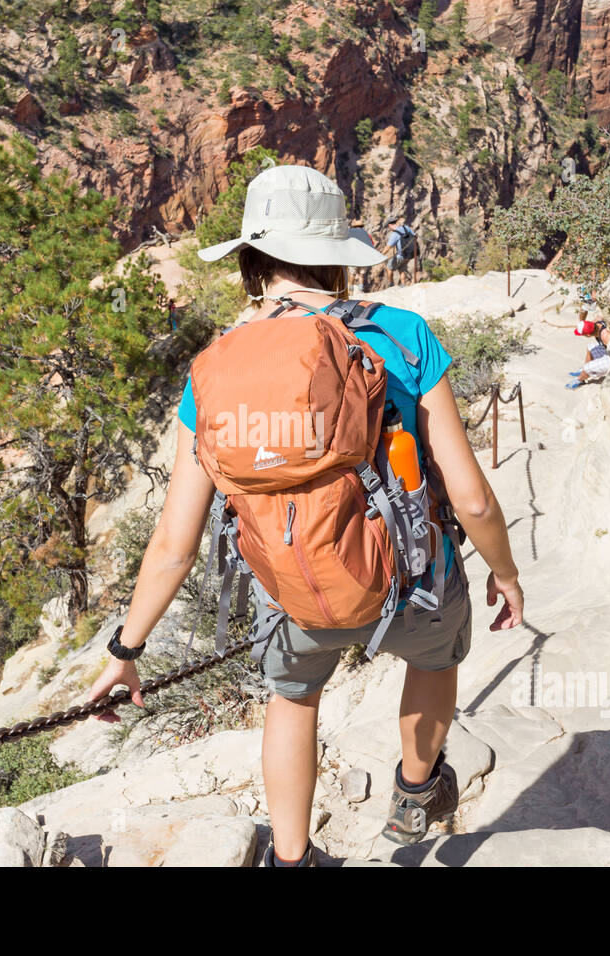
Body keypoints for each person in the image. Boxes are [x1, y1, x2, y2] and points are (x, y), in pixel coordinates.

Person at [86, 165, 524, 866]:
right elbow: (470, 496)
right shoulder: (404, 335)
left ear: (252, 266)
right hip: (407, 578)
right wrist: (505, 574)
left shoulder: (214, 370)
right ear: (338, 260)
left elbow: (175, 540)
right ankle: (415, 792)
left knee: (292, 700)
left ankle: (291, 858)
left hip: (289, 588)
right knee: (437, 656)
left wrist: (126, 652)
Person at [568, 317, 610, 388]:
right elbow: (599, 317)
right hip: (608, 350)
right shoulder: (597, 323)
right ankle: (584, 371)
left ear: (588, 335)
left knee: (588, 368)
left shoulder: (605, 337)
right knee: (590, 347)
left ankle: (579, 379)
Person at [384, 214, 419, 286]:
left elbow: (388, 247)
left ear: (390, 225)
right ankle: (403, 285)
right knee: (401, 269)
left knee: (388, 268)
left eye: (388, 227)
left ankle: (391, 284)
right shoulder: (406, 227)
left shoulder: (395, 233)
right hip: (408, 255)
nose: (389, 228)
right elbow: (415, 236)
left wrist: (381, 254)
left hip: (400, 255)